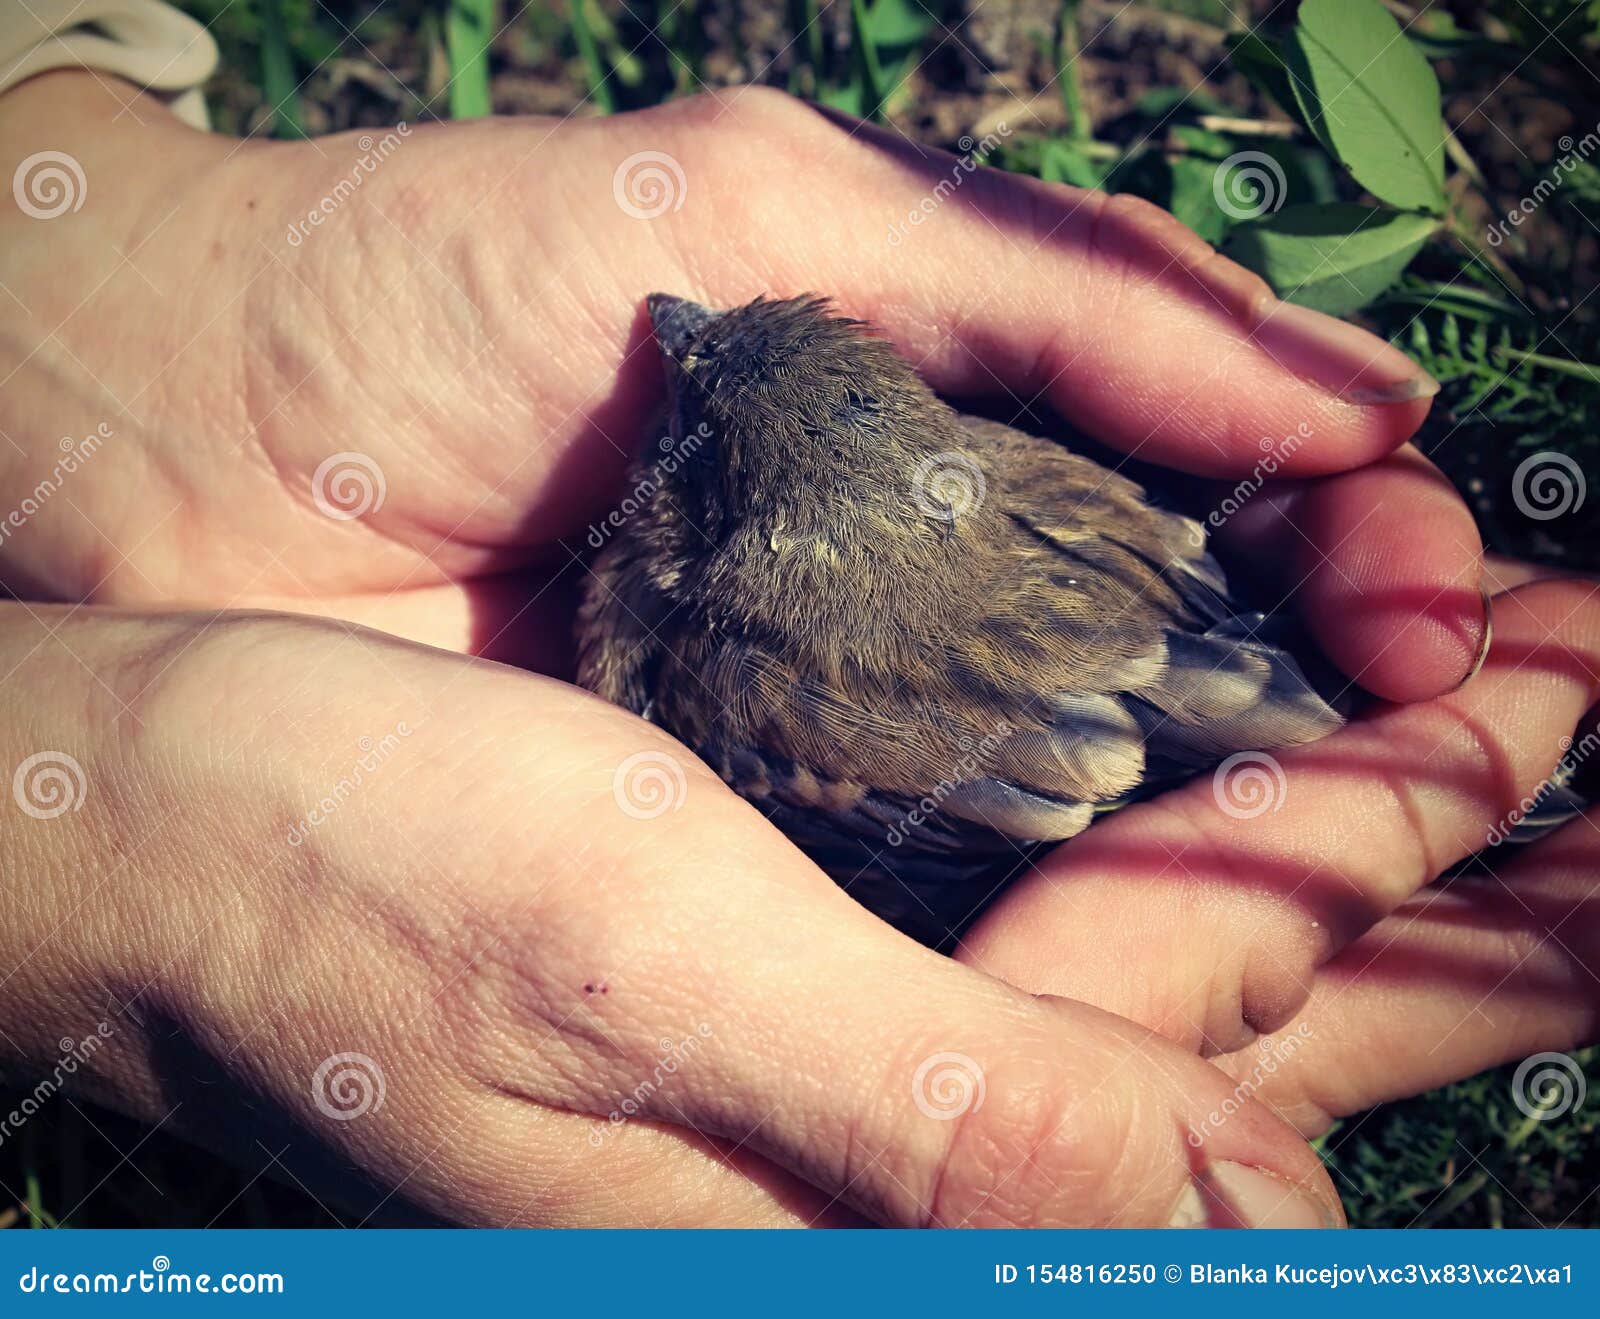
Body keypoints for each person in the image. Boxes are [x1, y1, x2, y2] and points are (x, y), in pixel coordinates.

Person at [0, 3, 1594, 1230]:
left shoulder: (722, 668)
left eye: (688, 414)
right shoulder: (914, 551)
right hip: (1271, 726)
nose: (664, 330)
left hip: (1220, 771)